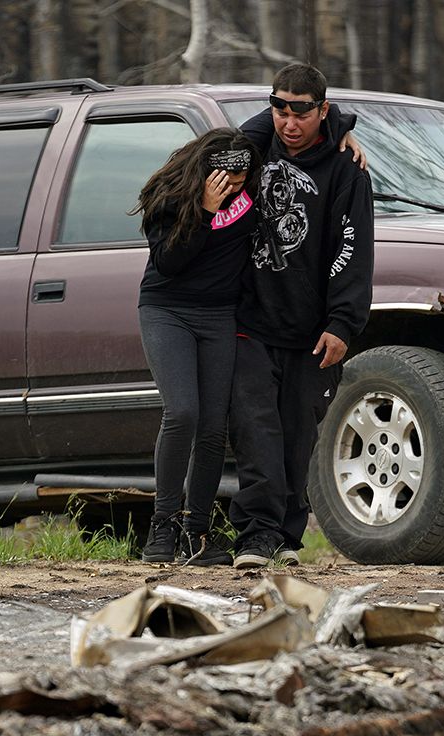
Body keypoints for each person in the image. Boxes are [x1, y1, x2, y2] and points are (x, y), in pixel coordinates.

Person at [229, 63, 375, 569]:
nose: (289, 122)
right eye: (280, 108)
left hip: (311, 330)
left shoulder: (346, 170)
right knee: (256, 428)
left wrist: (341, 323)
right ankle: (255, 535)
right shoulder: (255, 147)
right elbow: (237, 138)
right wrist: (342, 125)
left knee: (297, 436)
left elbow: (353, 250)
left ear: (322, 110)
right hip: (248, 319)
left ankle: (286, 538)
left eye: (302, 111)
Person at [130, 128, 261, 565]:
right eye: (227, 178)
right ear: (207, 170)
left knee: (212, 427)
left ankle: (196, 532)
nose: (235, 186)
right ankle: (161, 527)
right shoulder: (169, 198)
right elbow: (169, 263)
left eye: (242, 180)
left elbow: (270, 122)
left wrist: (339, 124)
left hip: (219, 315)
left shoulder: (249, 182)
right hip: (168, 310)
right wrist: (206, 210)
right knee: (182, 412)